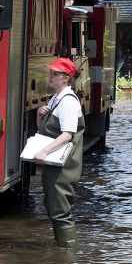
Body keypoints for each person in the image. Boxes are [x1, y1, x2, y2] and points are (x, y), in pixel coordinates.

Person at [34, 57, 84, 247]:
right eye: (51, 73)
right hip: (55, 164)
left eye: (54, 74)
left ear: (66, 78)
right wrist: (40, 115)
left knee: (60, 211)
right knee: (53, 206)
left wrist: (44, 152)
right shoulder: (57, 99)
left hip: (64, 166)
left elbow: (67, 135)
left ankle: (67, 253)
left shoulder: (69, 102)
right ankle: (63, 251)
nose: (51, 77)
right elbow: (44, 130)